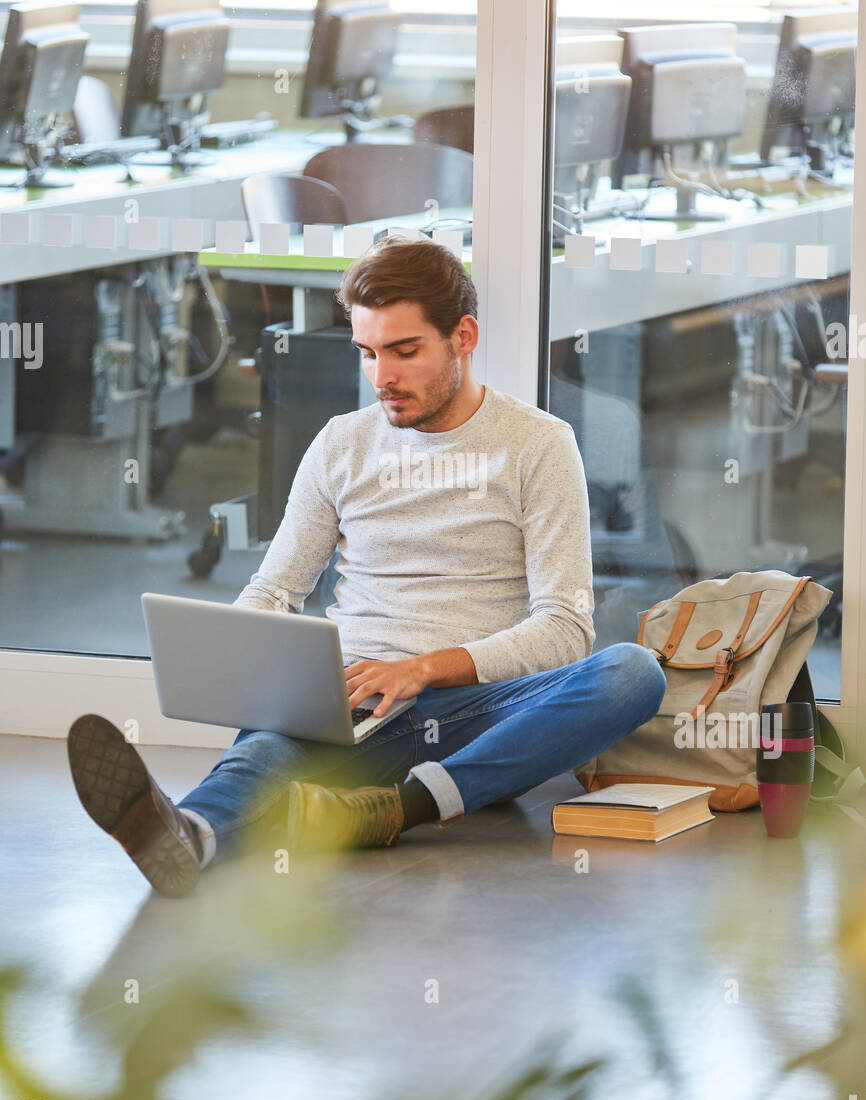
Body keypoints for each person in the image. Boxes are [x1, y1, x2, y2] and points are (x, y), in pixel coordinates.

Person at [67, 235, 666, 897]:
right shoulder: (342, 444)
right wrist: (246, 659)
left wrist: (422, 669)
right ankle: (191, 838)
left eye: (405, 352)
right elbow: (275, 587)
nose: (382, 376)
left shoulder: (539, 445)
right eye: (368, 352)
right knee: (266, 745)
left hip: (480, 711)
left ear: (462, 336)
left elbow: (564, 631)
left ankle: (396, 809)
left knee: (631, 673)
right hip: (355, 705)